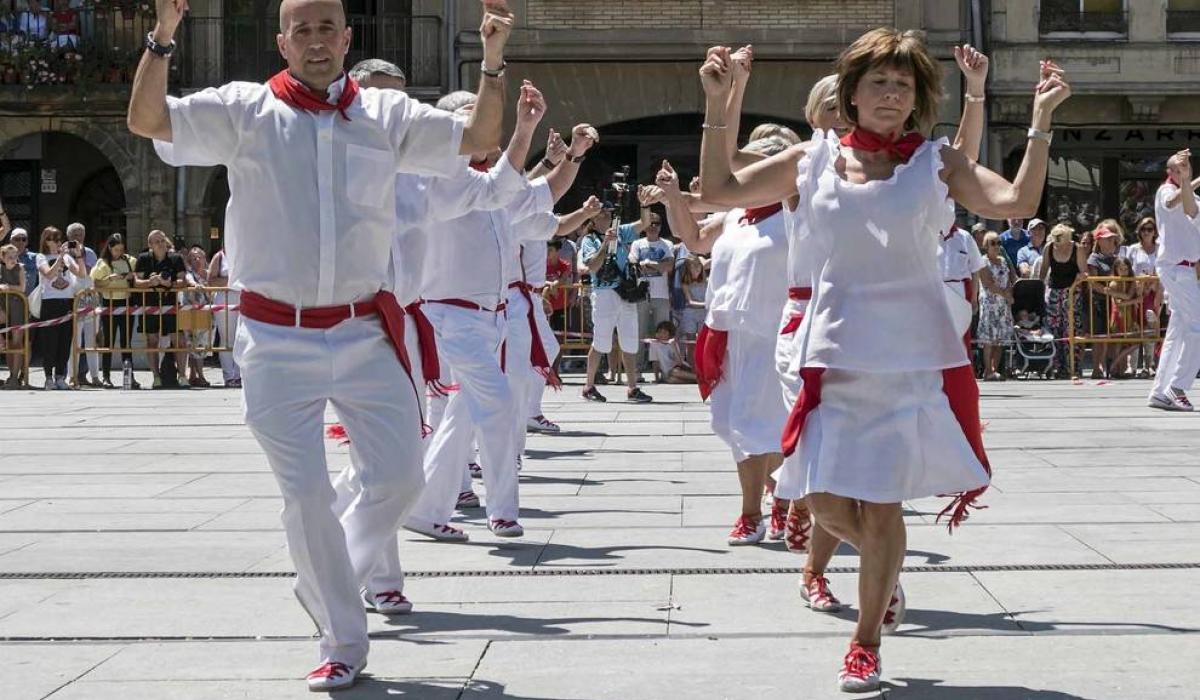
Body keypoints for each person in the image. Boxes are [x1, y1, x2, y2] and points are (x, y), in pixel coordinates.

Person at [129, 0, 514, 690]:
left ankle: (326, 579)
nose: (314, 40)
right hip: (276, 337)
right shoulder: (245, 110)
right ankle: (343, 635)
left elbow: (480, 135)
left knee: (402, 478)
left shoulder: (386, 117)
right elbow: (148, 121)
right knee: (306, 494)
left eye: (326, 28)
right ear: (283, 41)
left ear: (346, 37)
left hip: (365, 328)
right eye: (301, 29)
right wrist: (161, 38)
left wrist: (491, 57)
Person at [697, 30, 1069, 692]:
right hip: (832, 353)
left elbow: (1017, 203)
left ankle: (865, 640)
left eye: (903, 84)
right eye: (879, 83)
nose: (892, 94)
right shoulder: (813, 160)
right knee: (818, 498)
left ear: (918, 97)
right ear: (851, 94)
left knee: (883, 507)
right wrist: (721, 104)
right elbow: (720, 188)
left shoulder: (935, 161)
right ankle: (879, 574)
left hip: (907, 358)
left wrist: (1039, 124)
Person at [403, 86, 579, 543]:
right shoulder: (437, 178)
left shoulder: (492, 183)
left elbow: (541, 194)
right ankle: (502, 511)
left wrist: (560, 148)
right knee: (498, 406)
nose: (482, 128)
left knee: (463, 416)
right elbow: (501, 183)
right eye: (470, 119)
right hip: (450, 317)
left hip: (491, 319)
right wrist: (523, 129)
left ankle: (427, 507)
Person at [579, 186, 664, 404]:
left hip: (625, 292)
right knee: (601, 341)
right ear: (593, 219)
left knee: (629, 340)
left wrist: (644, 204)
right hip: (604, 292)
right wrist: (606, 243)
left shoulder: (622, 230)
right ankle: (589, 386)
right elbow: (593, 267)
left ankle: (633, 387)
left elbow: (643, 223)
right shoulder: (589, 240)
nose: (607, 216)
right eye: (602, 214)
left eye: (608, 213)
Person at [1148, 149, 1200, 412]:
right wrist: (1190, 177)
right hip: (1176, 268)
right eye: (1178, 170)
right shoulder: (1164, 191)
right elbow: (1174, 203)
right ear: (1170, 173)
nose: (1181, 173)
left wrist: (1193, 180)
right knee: (1198, 328)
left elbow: (1191, 208)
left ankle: (1160, 391)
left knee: (1177, 333)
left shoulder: (1192, 196)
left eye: (1184, 169)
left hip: (1186, 270)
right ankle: (1177, 387)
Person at [133, 230, 188, 389]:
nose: (160, 244)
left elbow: (183, 281)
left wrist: (168, 284)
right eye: (156, 242)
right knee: (152, 341)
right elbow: (136, 282)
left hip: (171, 305)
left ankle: (183, 376)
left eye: (162, 240)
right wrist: (150, 282)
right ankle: (156, 377)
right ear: (150, 245)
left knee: (179, 340)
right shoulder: (144, 259)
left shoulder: (175, 258)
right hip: (150, 305)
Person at [90, 232, 139, 388]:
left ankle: (130, 376)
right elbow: (96, 284)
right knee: (108, 342)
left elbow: (137, 276)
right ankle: (106, 376)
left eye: (121, 249)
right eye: (116, 250)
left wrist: (130, 276)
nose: (119, 253)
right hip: (109, 303)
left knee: (126, 342)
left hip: (126, 303)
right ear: (109, 248)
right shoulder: (102, 263)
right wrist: (110, 278)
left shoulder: (130, 261)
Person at [35, 226, 80, 390]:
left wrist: (79, 255)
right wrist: (60, 257)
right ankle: (48, 377)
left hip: (66, 301)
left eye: (60, 239)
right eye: (56, 239)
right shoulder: (41, 257)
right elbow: (48, 274)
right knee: (50, 341)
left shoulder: (67, 257)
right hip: (50, 302)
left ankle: (61, 376)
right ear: (47, 241)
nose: (60, 242)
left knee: (64, 340)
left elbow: (81, 273)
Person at [1041, 223, 1088, 379]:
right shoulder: (1049, 248)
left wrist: (1080, 278)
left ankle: (1072, 367)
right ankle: (1055, 367)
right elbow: (1043, 272)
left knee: (1072, 330)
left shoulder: (1077, 249)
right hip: (1054, 293)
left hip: (1072, 293)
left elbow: (1084, 272)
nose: (1058, 243)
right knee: (1054, 330)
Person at [630, 210, 674, 368]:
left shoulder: (667, 244)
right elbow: (634, 264)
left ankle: (664, 367)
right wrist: (657, 267)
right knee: (639, 332)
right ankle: (637, 368)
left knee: (663, 333)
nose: (653, 227)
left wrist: (652, 266)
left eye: (656, 224)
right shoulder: (637, 244)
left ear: (661, 227)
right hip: (641, 294)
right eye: (650, 224)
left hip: (661, 295)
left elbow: (669, 266)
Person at [1086, 219, 1124, 379]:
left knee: (1115, 336)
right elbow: (1094, 284)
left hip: (1116, 303)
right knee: (1100, 337)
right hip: (1099, 302)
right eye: (1107, 238)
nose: (1111, 241)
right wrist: (1111, 293)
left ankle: (1114, 368)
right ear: (1099, 240)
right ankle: (1097, 368)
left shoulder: (1118, 258)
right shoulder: (1094, 258)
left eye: (1112, 238)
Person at [977, 231, 1016, 380]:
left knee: (1000, 338)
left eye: (999, 243)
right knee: (988, 339)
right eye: (993, 243)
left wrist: (1009, 293)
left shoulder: (1003, 261)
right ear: (986, 246)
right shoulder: (982, 261)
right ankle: (987, 370)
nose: (996, 246)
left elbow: (1010, 280)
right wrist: (1005, 294)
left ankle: (994, 369)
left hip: (1002, 305)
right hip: (989, 304)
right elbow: (988, 283)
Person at [205, 247, 240, 388]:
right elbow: (211, 281)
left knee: (241, 338)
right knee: (227, 338)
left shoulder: (244, 253)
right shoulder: (219, 256)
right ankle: (229, 375)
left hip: (243, 300)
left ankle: (240, 375)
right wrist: (233, 281)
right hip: (224, 301)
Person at [0, 243, 27, 387]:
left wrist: (8, 287)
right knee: (9, 343)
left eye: (15, 256)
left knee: (17, 343)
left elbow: (22, 288)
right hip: (3, 306)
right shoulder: (0, 269)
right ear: (2, 257)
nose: (12, 259)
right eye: (9, 256)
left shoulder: (20, 268)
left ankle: (14, 377)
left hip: (17, 306)